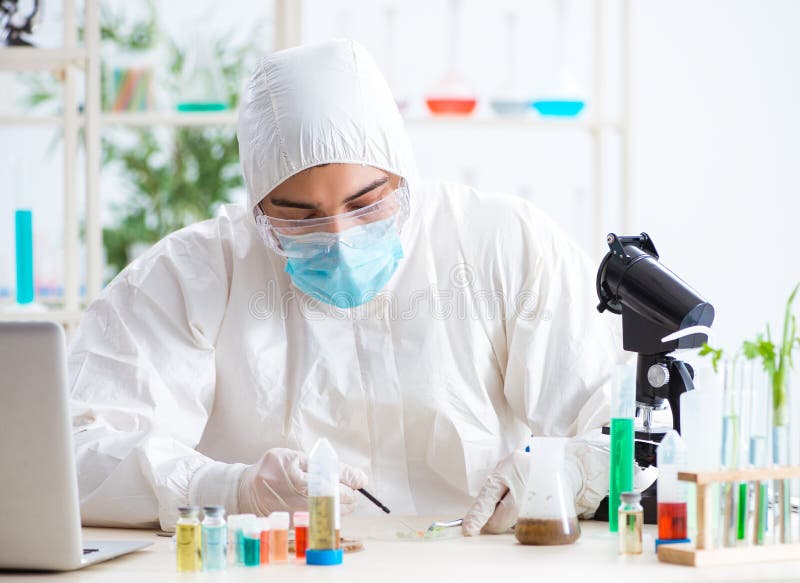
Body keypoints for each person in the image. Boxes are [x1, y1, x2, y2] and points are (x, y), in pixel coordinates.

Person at [69, 39, 625, 535]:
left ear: (403, 173)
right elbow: (67, 455)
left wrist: (569, 470)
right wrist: (227, 489)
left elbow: (623, 422)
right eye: (300, 217)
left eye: (366, 203)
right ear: (258, 210)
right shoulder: (190, 277)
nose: (339, 238)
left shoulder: (503, 243)